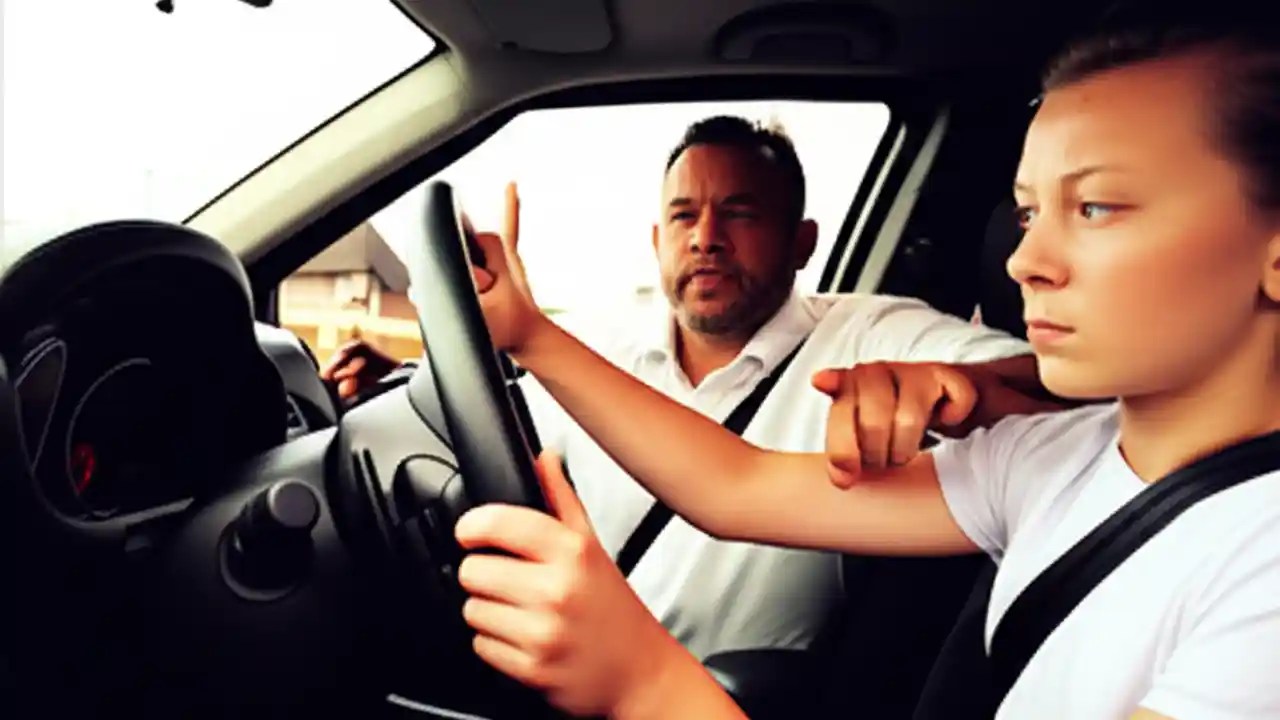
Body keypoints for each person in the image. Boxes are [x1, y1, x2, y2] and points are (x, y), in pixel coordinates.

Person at [453, 5, 1280, 719]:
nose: (1028, 261)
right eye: (1028, 214)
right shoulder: (1059, 458)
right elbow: (736, 485)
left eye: (1096, 206)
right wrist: (529, 333)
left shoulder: (1261, 573)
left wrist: (642, 683)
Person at [325, 117, 1056, 662]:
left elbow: (1062, 385)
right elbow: (494, 417)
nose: (706, 237)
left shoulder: (870, 335)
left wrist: (961, 387)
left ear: (803, 242)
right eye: (684, 216)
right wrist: (382, 383)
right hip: (547, 679)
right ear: (656, 240)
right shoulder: (597, 345)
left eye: (740, 213)